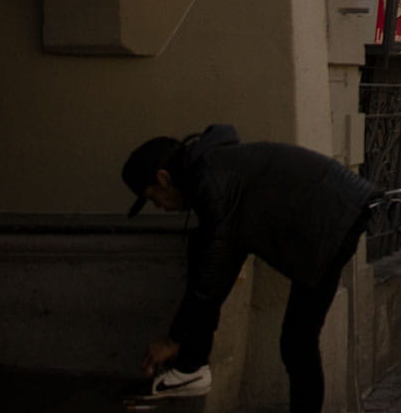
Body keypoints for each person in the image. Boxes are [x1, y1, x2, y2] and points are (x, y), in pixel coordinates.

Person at [120, 125, 379, 409]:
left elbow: (211, 277)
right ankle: (190, 368)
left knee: (297, 342)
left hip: (334, 219)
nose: (159, 206)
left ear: (164, 179)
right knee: (297, 340)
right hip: (338, 213)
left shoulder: (211, 182)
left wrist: (174, 338)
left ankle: (191, 368)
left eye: (153, 197)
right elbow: (218, 266)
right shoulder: (215, 171)